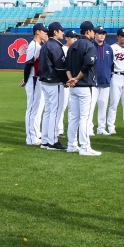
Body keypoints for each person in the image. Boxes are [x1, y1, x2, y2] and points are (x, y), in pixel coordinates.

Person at [64, 21, 100, 156]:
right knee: (85, 118)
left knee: (74, 117)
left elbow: (67, 67)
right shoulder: (89, 45)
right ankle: (85, 147)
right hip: (85, 85)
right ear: (89, 31)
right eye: (93, 31)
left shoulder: (72, 46)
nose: (94, 33)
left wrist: (71, 79)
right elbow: (87, 65)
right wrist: (77, 78)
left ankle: (71, 145)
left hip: (73, 87)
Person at [38, 22, 68, 151]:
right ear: (55, 32)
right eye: (61, 30)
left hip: (45, 81)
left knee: (49, 111)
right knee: (55, 112)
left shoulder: (45, 45)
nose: (63, 32)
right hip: (54, 82)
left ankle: (45, 140)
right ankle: (52, 141)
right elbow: (59, 67)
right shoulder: (55, 46)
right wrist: (66, 80)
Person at [21, 23, 47, 146]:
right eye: (43, 31)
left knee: (37, 109)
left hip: (36, 80)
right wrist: (26, 80)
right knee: (32, 109)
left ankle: (36, 133)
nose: (45, 33)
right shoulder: (33, 45)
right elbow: (28, 64)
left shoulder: (38, 45)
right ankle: (30, 138)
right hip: (33, 79)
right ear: (37, 32)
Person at [90, 27, 114, 136]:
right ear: (95, 34)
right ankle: (89, 127)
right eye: (99, 33)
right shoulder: (90, 46)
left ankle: (101, 128)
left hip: (105, 81)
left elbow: (111, 65)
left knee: (103, 106)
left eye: (103, 34)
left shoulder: (109, 48)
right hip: (93, 82)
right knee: (91, 106)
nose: (102, 35)